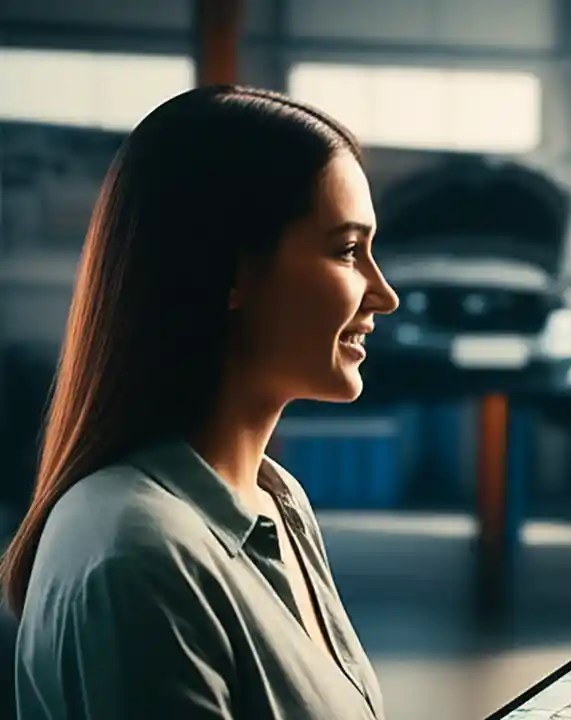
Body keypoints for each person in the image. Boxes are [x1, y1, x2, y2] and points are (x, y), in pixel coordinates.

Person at [2, 85, 400, 719]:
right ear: (231, 270)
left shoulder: (277, 500)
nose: (383, 294)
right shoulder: (141, 555)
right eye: (348, 250)